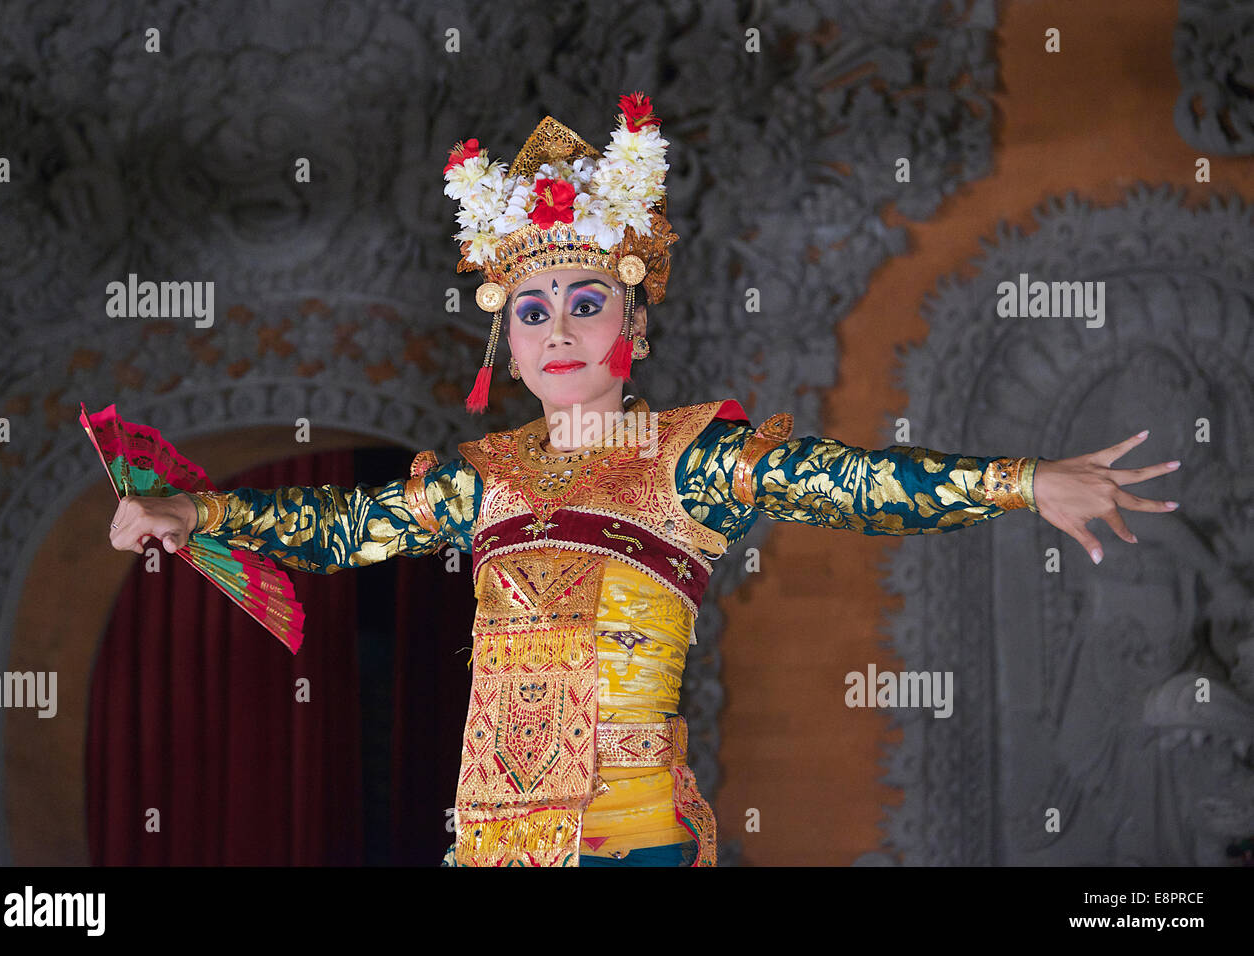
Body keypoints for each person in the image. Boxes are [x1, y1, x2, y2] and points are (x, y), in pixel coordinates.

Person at [107, 92, 1181, 866]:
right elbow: (344, 525)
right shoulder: (480, 478)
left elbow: (855, 481)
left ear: (636, 323)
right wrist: (190, 508)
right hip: (488, 842)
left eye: (586, 301)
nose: (559, 329)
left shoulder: (694, 457)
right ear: (506, 347)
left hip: (627, 842)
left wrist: (1022, 483)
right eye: (532, 311)